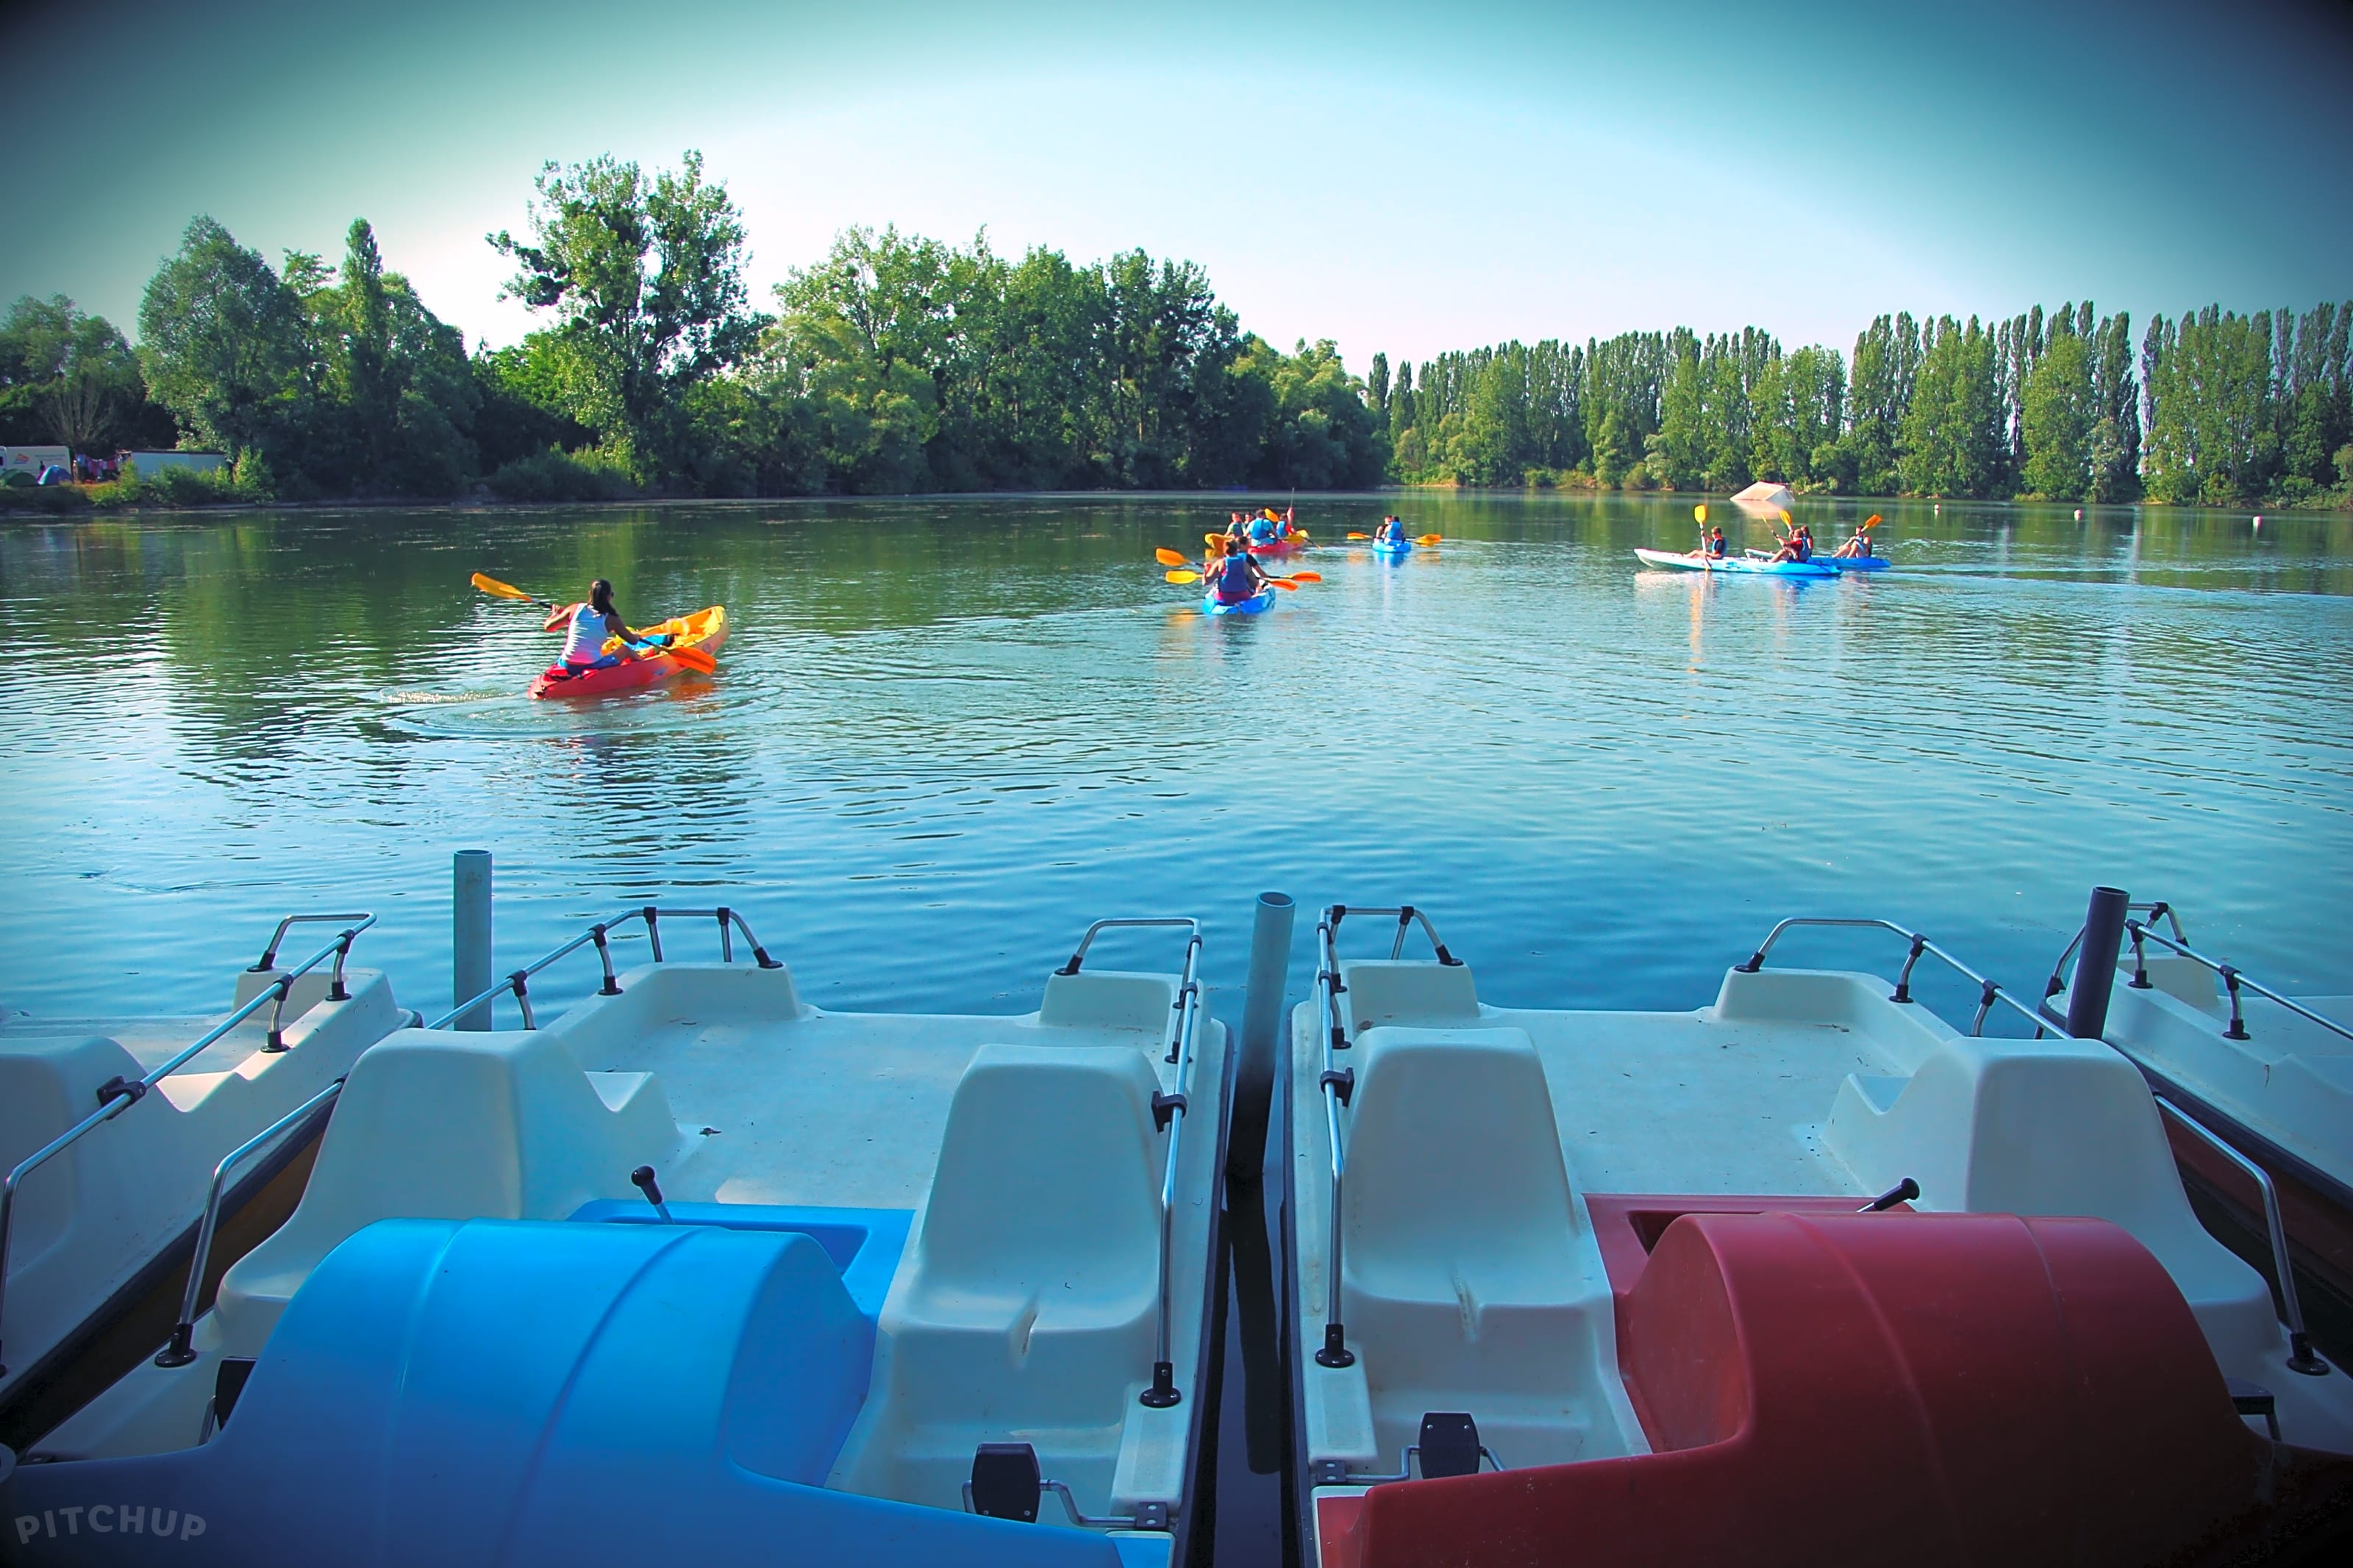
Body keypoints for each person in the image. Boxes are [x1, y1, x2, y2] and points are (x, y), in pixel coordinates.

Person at [557, 579, 654, 671]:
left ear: (590, 594)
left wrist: (555, 614)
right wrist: (636, 636)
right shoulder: (611, 618)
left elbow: (548, 627)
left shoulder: (574, 608)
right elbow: (633, 641)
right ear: (610, 596)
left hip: (566, 663)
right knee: (625, 650)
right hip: (591, 665)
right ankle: (644, 665)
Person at [1207, 542, 1271, 605]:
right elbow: (1256, 584)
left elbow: (1206, 583)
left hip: (1223, 598)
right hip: (1243, 597)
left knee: (1215, 589)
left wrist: (1207, 570)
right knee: (1252, 588)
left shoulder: (1220, 563)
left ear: (1224, 550)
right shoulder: (1245, 563)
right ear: (1237, 550)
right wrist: (1257, 593)